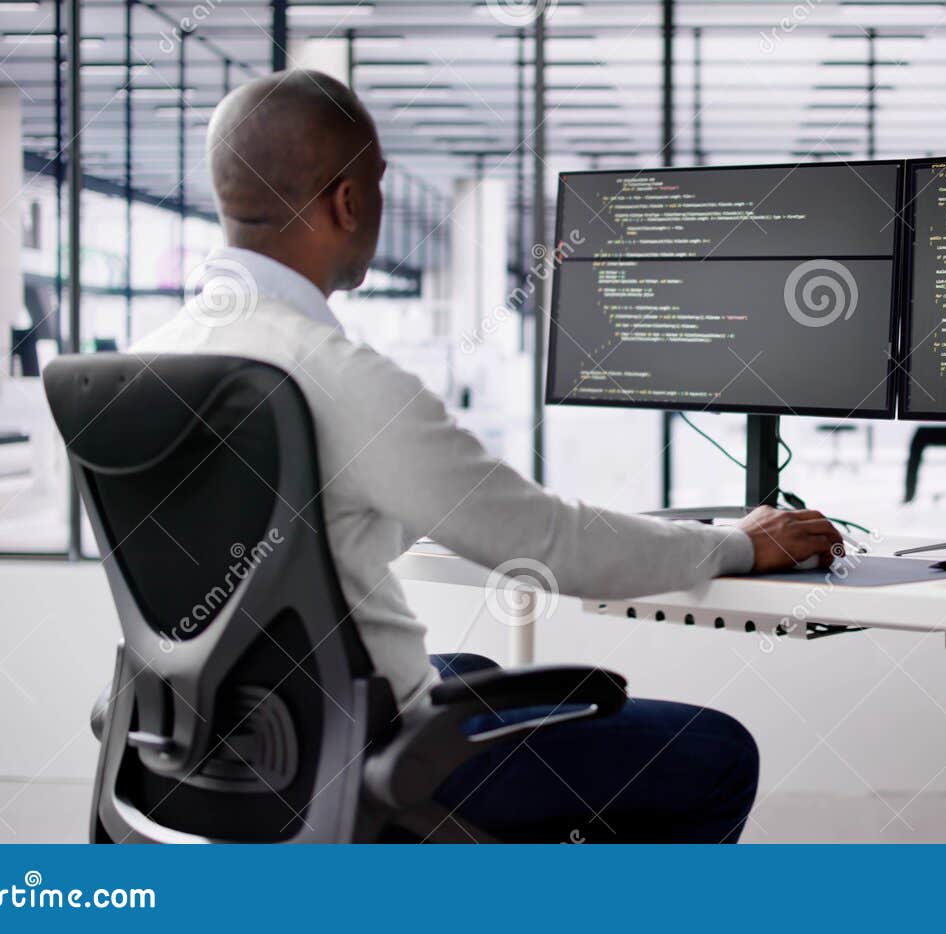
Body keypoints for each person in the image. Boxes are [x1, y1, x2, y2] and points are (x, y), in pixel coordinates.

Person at [133, 70, 844, 843]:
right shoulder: (338, 375)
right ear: (347, 201)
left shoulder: (141, 368)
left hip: (224, 743)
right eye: (375, 184)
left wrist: (424, 503)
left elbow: (277, 532)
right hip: (362, 757)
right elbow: (547, 543)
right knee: (718, 753)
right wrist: (741, 544)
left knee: (469, 666)